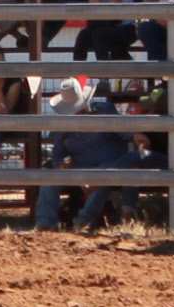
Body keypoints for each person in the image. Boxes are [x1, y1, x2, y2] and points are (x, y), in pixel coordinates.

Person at [32, 77, 135, 231]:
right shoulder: (63, 125)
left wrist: (136, 136)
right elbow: (58, 156)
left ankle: (83, 222)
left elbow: (127, 134)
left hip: (107, 166)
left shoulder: (105, 111)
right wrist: (63, 166)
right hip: (80, 168)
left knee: (104, 176)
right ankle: (46, 223)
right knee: (49, 175)